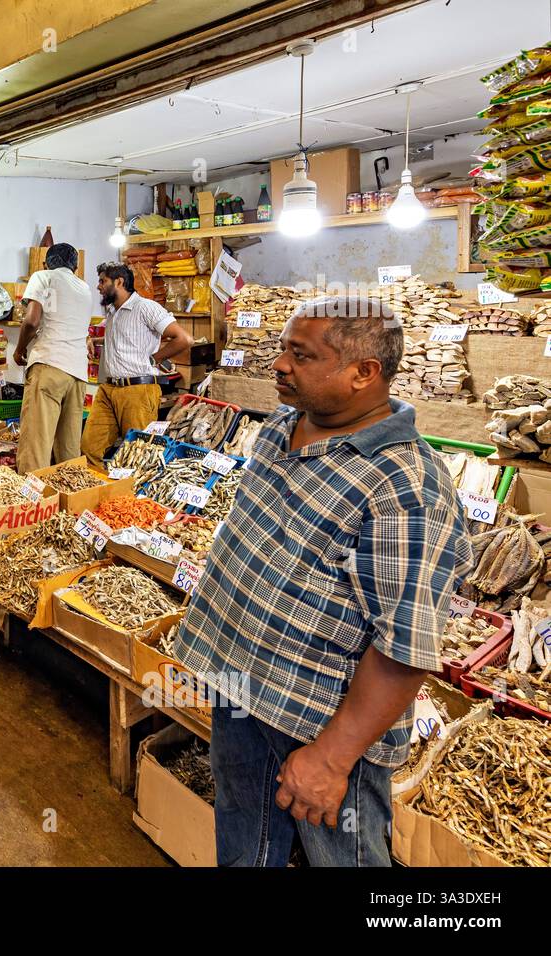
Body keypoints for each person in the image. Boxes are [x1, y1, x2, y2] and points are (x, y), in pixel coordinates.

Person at [175, 296, 471, 867]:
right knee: (245, 848)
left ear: (365, 373)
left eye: (302, 355)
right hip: (241, 688)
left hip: (319, 723)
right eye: (284, 349)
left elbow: (405, 645)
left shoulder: (406, 488)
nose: (280, 365)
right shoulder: (282, 427)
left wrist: (333, 759)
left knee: (345, 858)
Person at [80, 262, 192, 466]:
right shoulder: (113, 312)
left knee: (138, 455)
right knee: (89, 448)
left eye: (102, 281)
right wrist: (92, 339)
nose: (98, 286)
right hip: (109, 389)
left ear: (119, 282)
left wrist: (154, 358)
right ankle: (101, 495)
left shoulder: (146, 308)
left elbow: (183, 339)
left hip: (137, 391)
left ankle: (134, 497)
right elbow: (119, 339)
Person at [14, 242, 91, 474]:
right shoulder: (84, 289)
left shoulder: (43, 277)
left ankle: (31, 504)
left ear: (46, 263)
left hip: (49, 365)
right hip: (77, 374)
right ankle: (67, 502)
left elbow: (31, 320)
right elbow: (54, 310)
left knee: (36, 445)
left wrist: (19, 350)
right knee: (68, 449)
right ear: (75, 268)